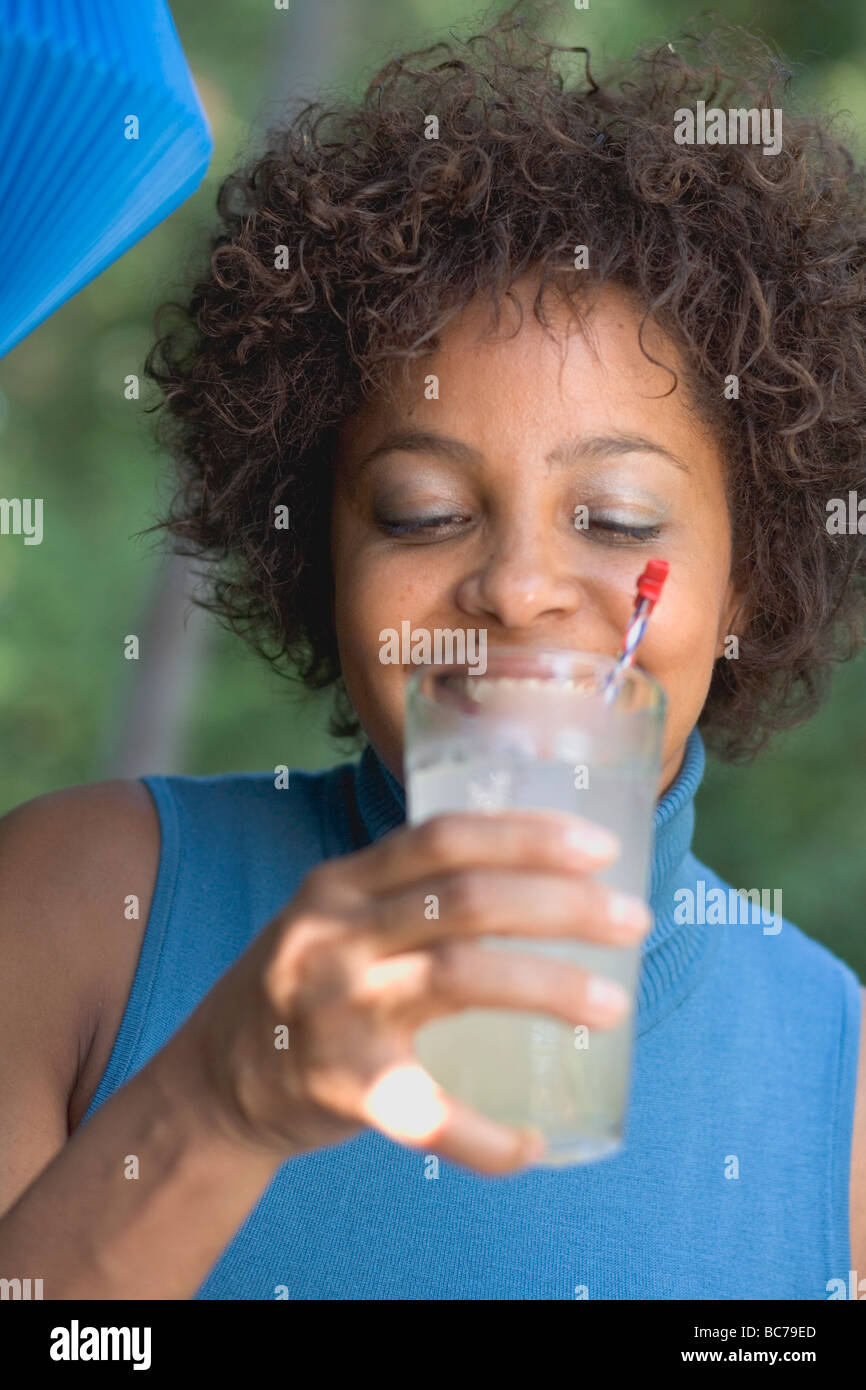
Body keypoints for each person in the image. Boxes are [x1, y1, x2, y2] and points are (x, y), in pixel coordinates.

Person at [0, 6, 864, 1299]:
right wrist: (222, 1102)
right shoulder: (73, 909)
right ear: (323, 565)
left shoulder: (835, 1082)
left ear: (746, 581)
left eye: (615, 519)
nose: (515, 588)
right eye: (421, 512)